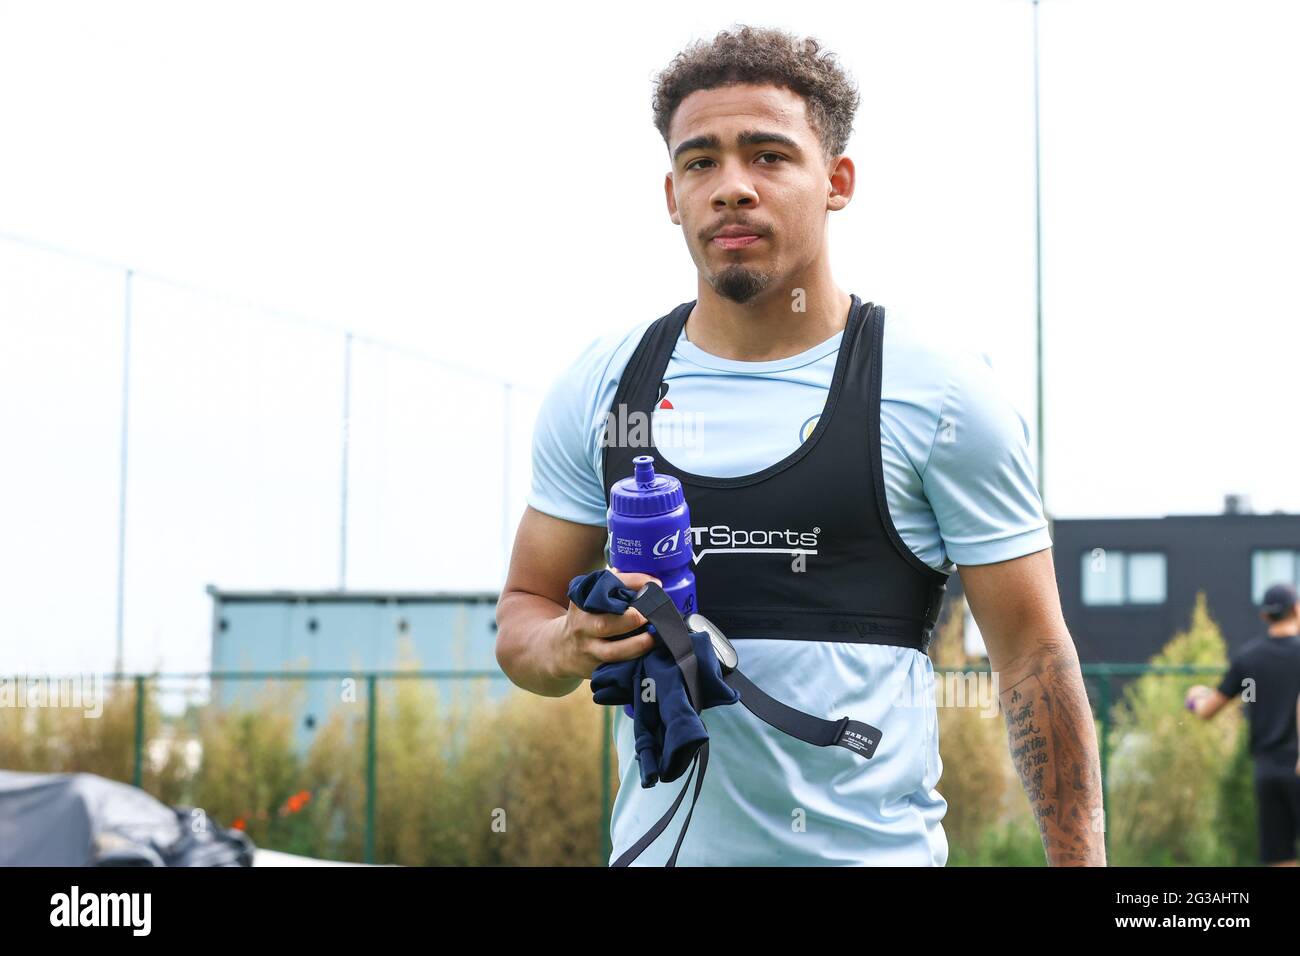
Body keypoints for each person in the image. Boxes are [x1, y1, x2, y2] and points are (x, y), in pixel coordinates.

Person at [495, 24, 1105, 866]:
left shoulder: (938, 392)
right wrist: (566, 643)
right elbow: (521, 619)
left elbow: (1035, 659)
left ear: (837, 181)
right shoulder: (605, 386)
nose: (731, 188)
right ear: (671, 193)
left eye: (769, 156)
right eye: (700, 161)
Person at [1186, 582, 1300, 867]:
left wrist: (1193, 699)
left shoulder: (1248, 658)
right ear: (1297, 610)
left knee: (1280, 856)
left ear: (1264, 616)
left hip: (1268, 771)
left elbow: (1206, 711)